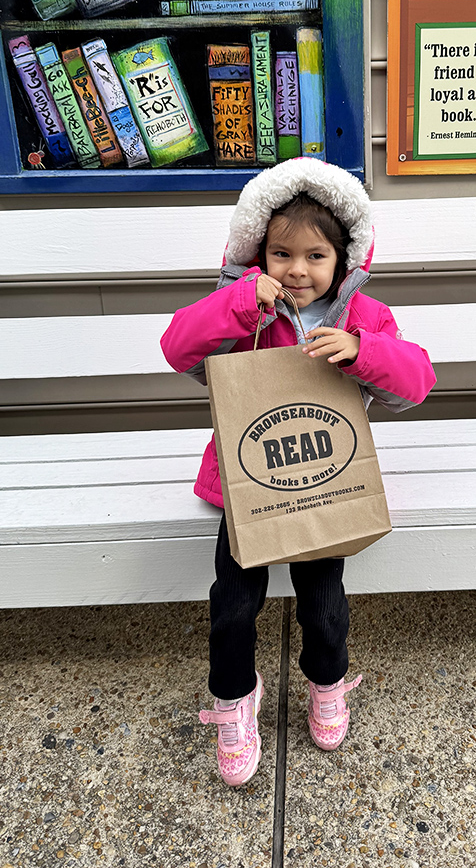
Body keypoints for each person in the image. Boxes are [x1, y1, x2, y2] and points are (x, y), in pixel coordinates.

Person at [160, 158, 436, 787]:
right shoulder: (243, 310)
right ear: (258, 253)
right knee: (233, 603)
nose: (298, 270)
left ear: (346, 261)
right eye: (281, 253)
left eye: (316, 255)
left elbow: (418, 381)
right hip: (245, 482)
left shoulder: (364, 318)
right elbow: (177, 347)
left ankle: (327, 681)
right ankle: (234, 696)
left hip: (327, 486)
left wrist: (364, 352)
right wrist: (236, 302)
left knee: (323, 603)